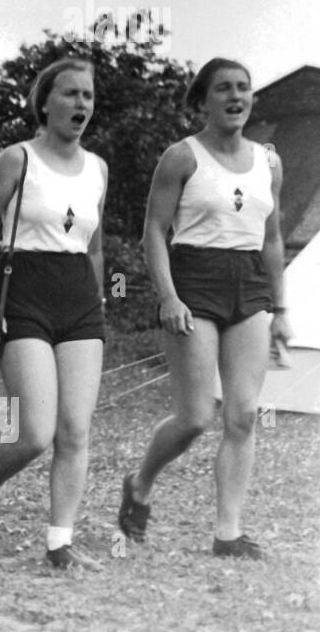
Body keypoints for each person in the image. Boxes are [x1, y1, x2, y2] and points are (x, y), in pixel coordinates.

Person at [118, 58, 288, 559]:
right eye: (223, 89)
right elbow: (153, 231)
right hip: (195, 283)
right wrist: (167, 296)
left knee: (242, 415)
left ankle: (228, 532)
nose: (235, 97)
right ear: (203, 101)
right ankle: (141, 483)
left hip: (251, 285)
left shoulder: (269, 162)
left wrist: (281, 306)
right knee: (193, 417)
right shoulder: (181, 157)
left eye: (243, 87)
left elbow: (274, 237)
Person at [0, 57, 108, 570]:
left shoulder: (98, 169)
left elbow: (94, 246)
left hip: (80, 297)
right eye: (70, 94)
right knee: (35, 433)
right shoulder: (17, 158)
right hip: (26, 293)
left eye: (87, 95)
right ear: (45, 102)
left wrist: (101, 298)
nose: (80, 104)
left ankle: (60, 543)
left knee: (75, 430)